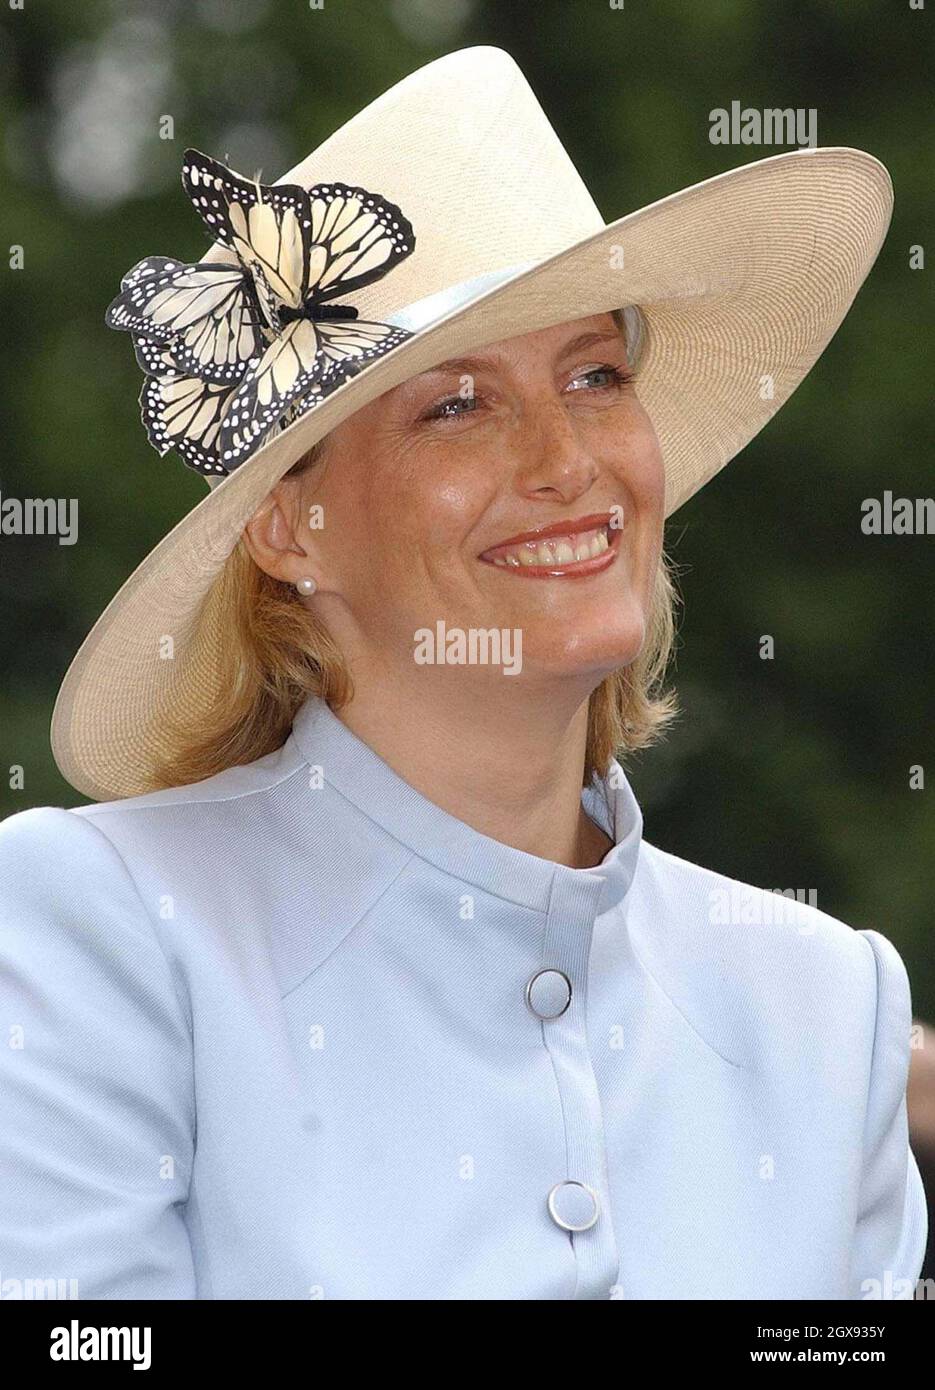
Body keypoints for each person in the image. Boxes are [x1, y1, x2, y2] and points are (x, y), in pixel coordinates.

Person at [0, 46, 926, 1300]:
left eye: (594, 375)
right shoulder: (105, 928)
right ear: (288, 529)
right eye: (456, 406)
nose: (565, 464)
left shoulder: (828, 1005)